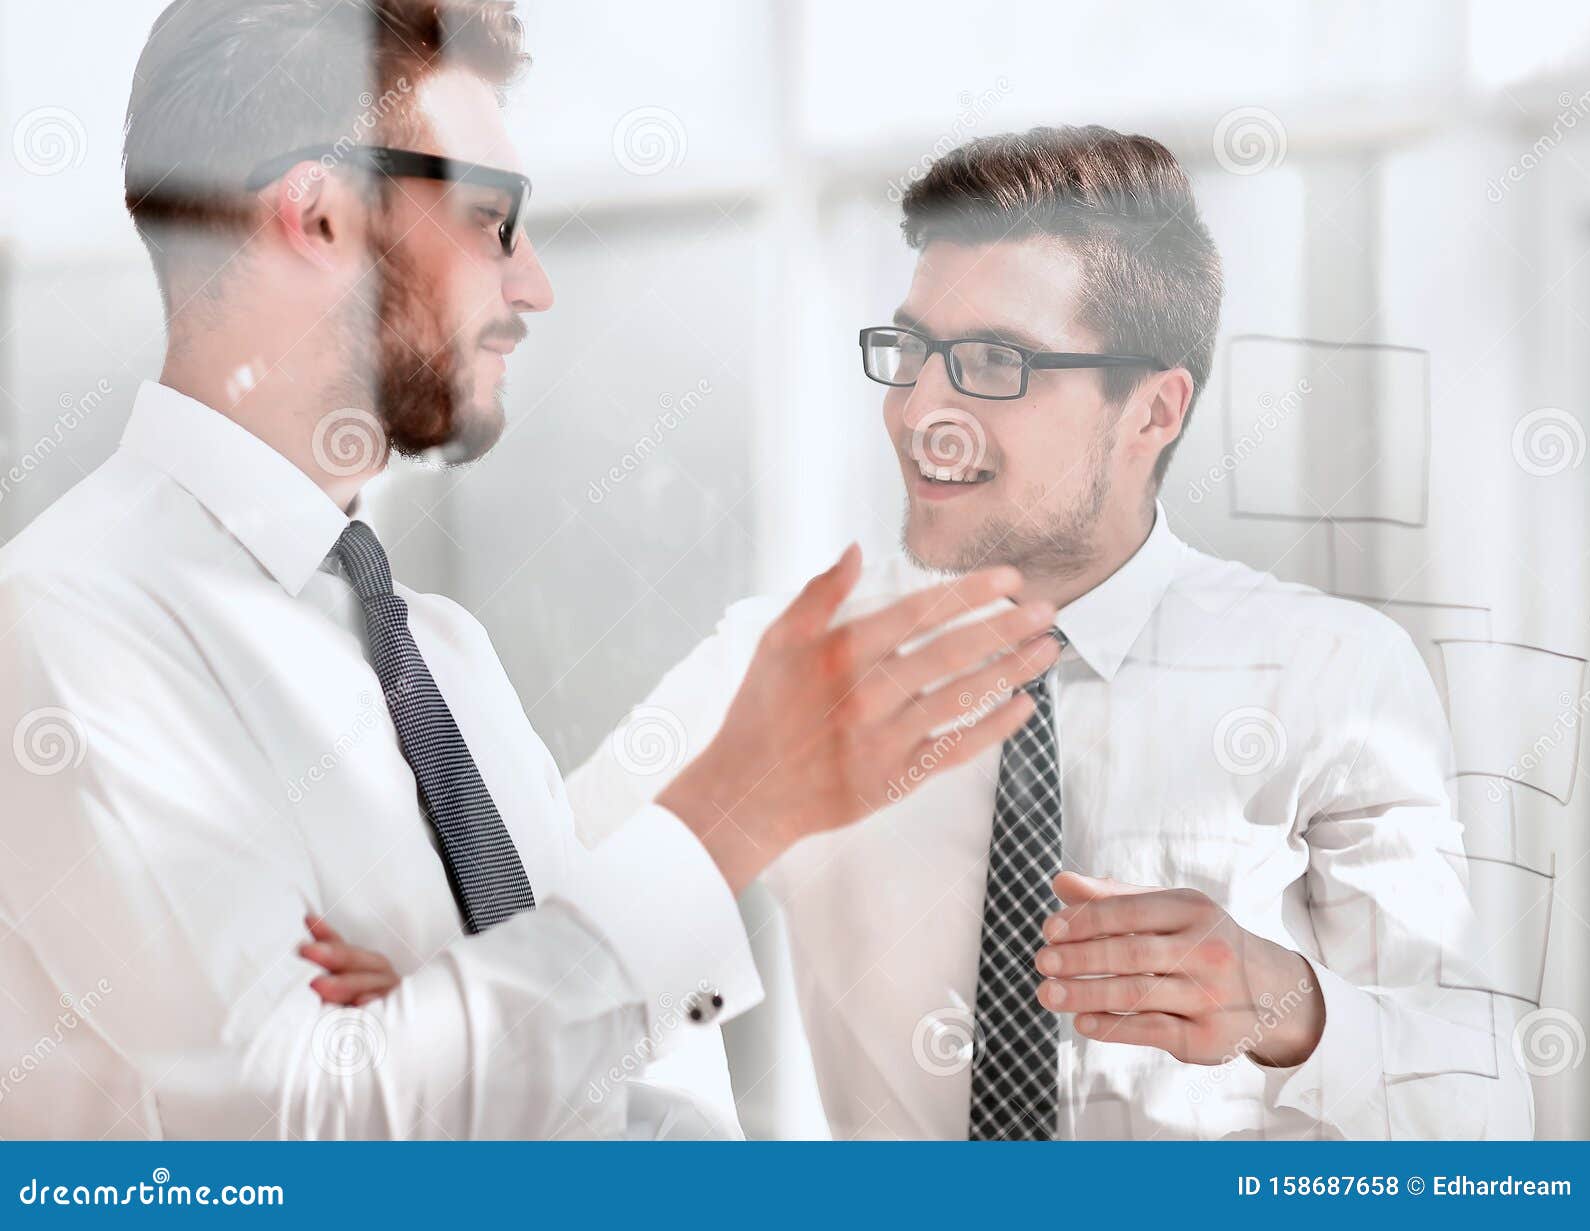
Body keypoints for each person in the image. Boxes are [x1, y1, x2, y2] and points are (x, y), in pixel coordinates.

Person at [0, 0, 1060, 1139]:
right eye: (493, 221)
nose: (533, 285)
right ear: (315, 217)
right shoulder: (64, 618)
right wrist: (731, 808)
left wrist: (446, 1029)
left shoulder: (445, 656)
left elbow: (589, 1121)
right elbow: (311, 1131)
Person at [552, 126, 1533, 1138]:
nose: (917, 413)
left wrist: (1290, 1006)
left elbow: (1486, 1103)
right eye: (911, 352)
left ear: (1152, 410)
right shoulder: (795, 659)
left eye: (990, 362)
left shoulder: (1332, 672)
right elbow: (536, 936)